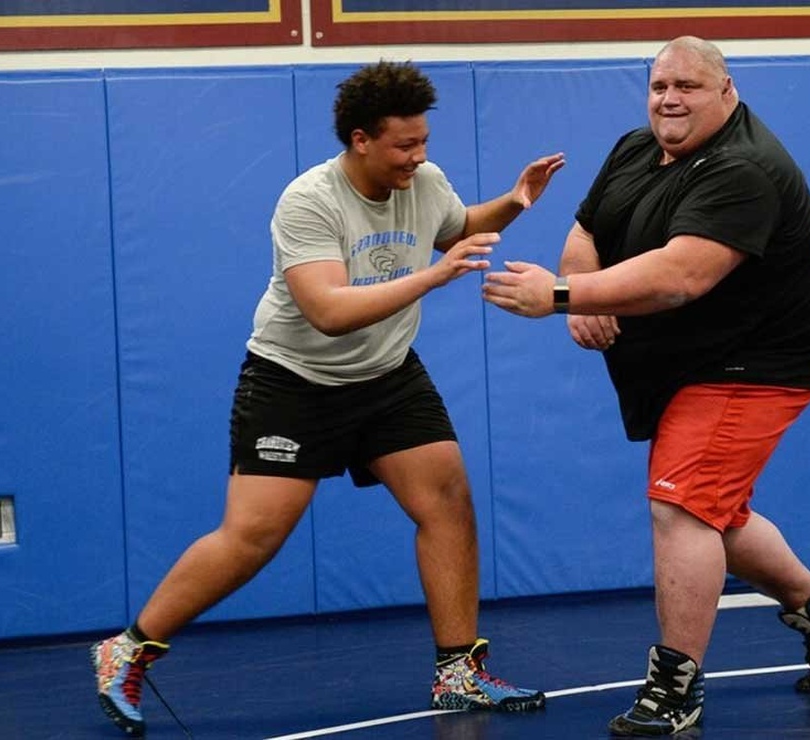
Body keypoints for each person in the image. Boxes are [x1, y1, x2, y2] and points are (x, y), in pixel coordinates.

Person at [91, 60, 564, 737]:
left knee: (447, 500)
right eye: (405, 145)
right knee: (252, 537)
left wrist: (515, 201)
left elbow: (455, 228)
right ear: (360, 138)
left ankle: (458, 668)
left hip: (388, 376)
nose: (419, 156)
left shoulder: (423, 182)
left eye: (424, 141)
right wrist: (431, 279)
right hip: (294, 383)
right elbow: (329, 312)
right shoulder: (308, 200)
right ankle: (129, 647)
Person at [481, 36, 810, 736]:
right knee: (713, 504)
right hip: (689, 354)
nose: (670, 99)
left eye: (688, 86)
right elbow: (585, 231)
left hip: (758, 360)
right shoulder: (637, 148)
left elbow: (681, 274)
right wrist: (588, 289)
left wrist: (564, 295)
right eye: (660, 85)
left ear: (727, 91)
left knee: (682, 506)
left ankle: (676, 688)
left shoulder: (744, 169)